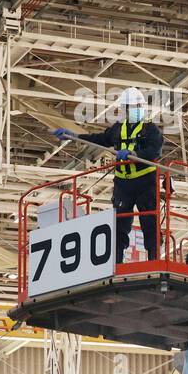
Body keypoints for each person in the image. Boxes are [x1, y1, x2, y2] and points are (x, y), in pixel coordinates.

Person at [54, 86, 163, 263]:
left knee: (150, 221)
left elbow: (155, 151)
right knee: (119, 224)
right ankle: (117, 262)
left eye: (138, 106)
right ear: (125, 109)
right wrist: (74, 136)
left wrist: (134, 155)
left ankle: (154, 260)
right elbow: (100, 139)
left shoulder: (151, 130)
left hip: (145, 182)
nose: (136, 110)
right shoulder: (118, 129)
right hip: (123, 184)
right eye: (132, 106)